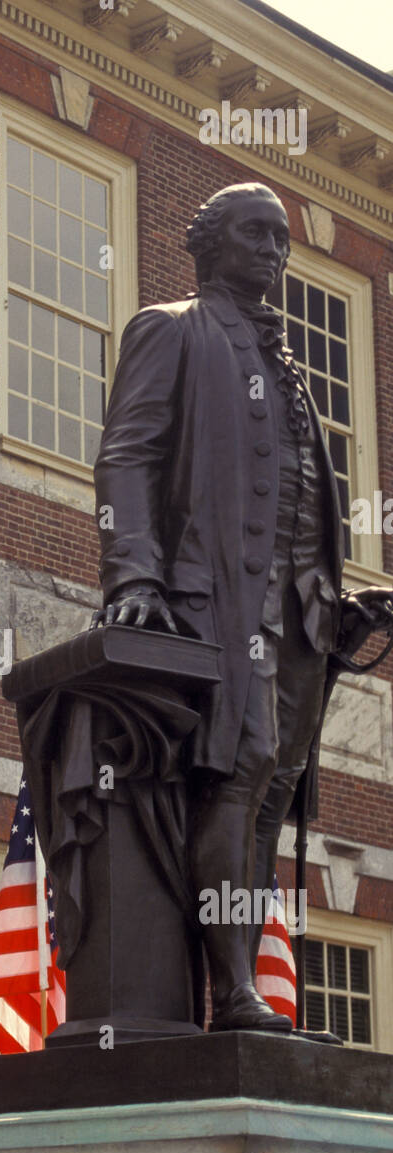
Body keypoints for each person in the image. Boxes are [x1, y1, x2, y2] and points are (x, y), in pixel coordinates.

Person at [96, 182, 392, 1031]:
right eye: (254, 234)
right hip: (218, 601)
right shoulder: (172, 328)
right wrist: (134, 581)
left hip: (301, 616)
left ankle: (239, 987)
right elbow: (126, 456)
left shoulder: (287, 368)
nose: (272, 250)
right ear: (207, 243)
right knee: (240, 767)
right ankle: (230, 992)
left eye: (281, 240)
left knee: (274, 793)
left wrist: (343, 597)